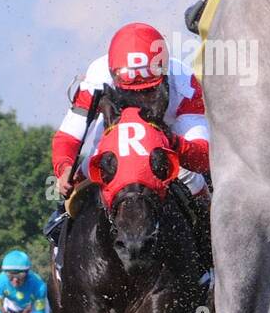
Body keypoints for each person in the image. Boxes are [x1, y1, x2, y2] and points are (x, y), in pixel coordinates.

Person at [47, 21, 212, 275]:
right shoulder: (97, 76)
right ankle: (61, 250)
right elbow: (68, 136)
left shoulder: (184, 81)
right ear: (114, 77)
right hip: (111, 146)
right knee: (76, 182)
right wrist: (63, 168)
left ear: (164, 76)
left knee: (198, 184)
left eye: (148, 91)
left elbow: (203, 156)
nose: (141, 99)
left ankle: (211, 266)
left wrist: (169, 140)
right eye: (132, 91)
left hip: (166, 151)